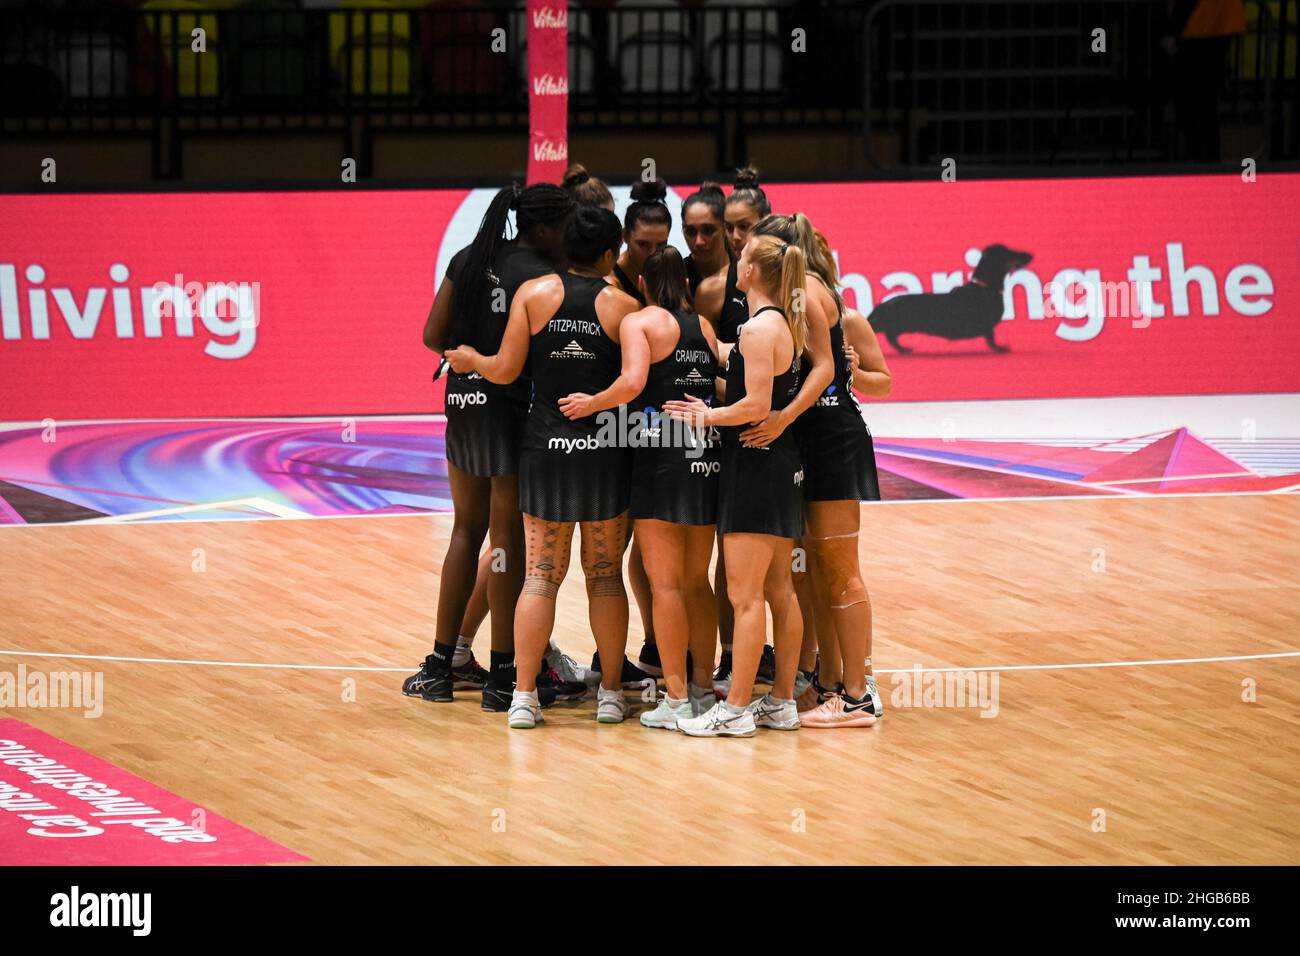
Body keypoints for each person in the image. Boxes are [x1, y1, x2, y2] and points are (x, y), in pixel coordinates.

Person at [446, 207, 641, 730]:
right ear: (610, 253)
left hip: (544, 449)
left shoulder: (532, 295)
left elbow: (506, 369)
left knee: (539, 578)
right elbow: (635, 383)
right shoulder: (625, 307)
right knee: (604, 576)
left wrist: (470, 361)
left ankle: (524, 697)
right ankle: (611, 697)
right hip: (603, 450)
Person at [405, 183, 578, 710]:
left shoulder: (468, 256)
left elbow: (433, 335)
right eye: (565, 226)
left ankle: (439, 667)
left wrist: (470, 353)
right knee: (508, 540)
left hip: (463, 401)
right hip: (512, 409)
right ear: (545, 228)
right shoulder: (543, 278)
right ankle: (505, 675)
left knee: (466, 530)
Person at [665, 234, 811, 737]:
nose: (736, 264)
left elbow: (754, 407)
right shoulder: (783, 325)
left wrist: (706, 416)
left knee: (744, 595)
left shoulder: (754, 329)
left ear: (750, 273)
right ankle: (782, 702)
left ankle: (737, 710)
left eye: (741, 259)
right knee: (779, 590)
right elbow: (757, 386)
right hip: (784, 466)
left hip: (754, 466)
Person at [749, 214, 883, 727]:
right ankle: (830, 683)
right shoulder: (798, 290)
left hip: (831, 440)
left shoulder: (804, 290)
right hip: (812, 440)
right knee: (817, 572)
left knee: (841, 571)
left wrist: (783, 415)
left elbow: (825, 369)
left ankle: (857, 696)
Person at [611, 246, 723, 728]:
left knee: (666, 585)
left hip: (659, 457)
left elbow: (633, 382)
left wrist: (593, 401)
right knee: (698, 581)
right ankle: (702, 686)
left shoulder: (640, 322)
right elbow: (720, 383)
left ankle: (675, 698)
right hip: (706, 453)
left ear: (642, 282)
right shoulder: (706, 327)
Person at [608, 177, 671, 305]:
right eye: (643, 244)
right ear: (625, 235)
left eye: (661, 245)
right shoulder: (610, 284)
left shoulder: (671, 275)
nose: (653, 253)